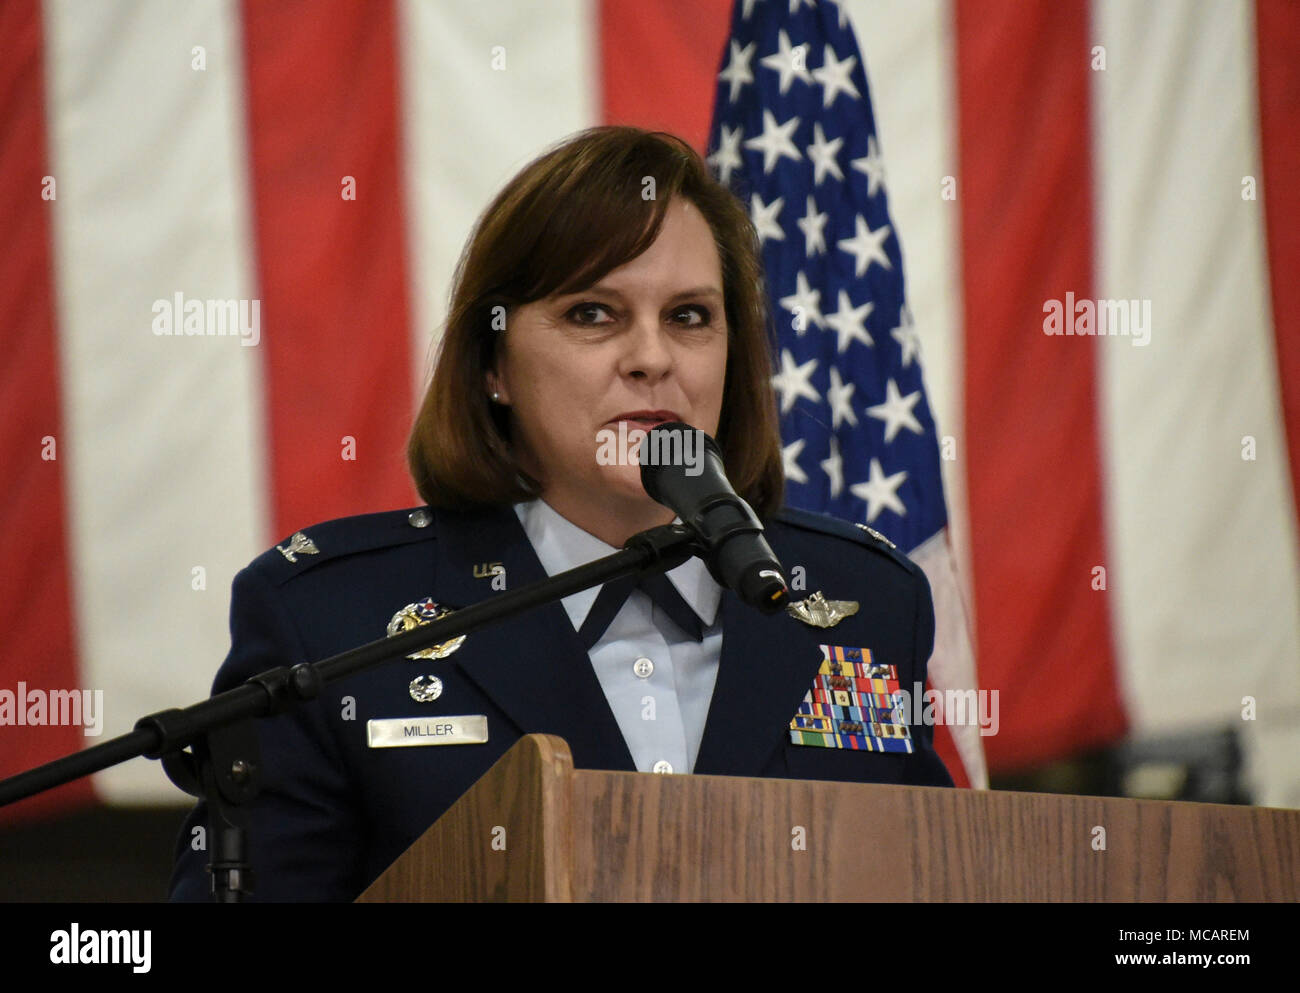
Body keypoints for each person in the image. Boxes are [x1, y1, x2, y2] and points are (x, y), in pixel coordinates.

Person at [168, 125, 953, 902]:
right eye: (594, 314)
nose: (653, 357)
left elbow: (942, 875)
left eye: (688, 316)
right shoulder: (332, 622)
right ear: (495, 367)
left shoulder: (868, 603)